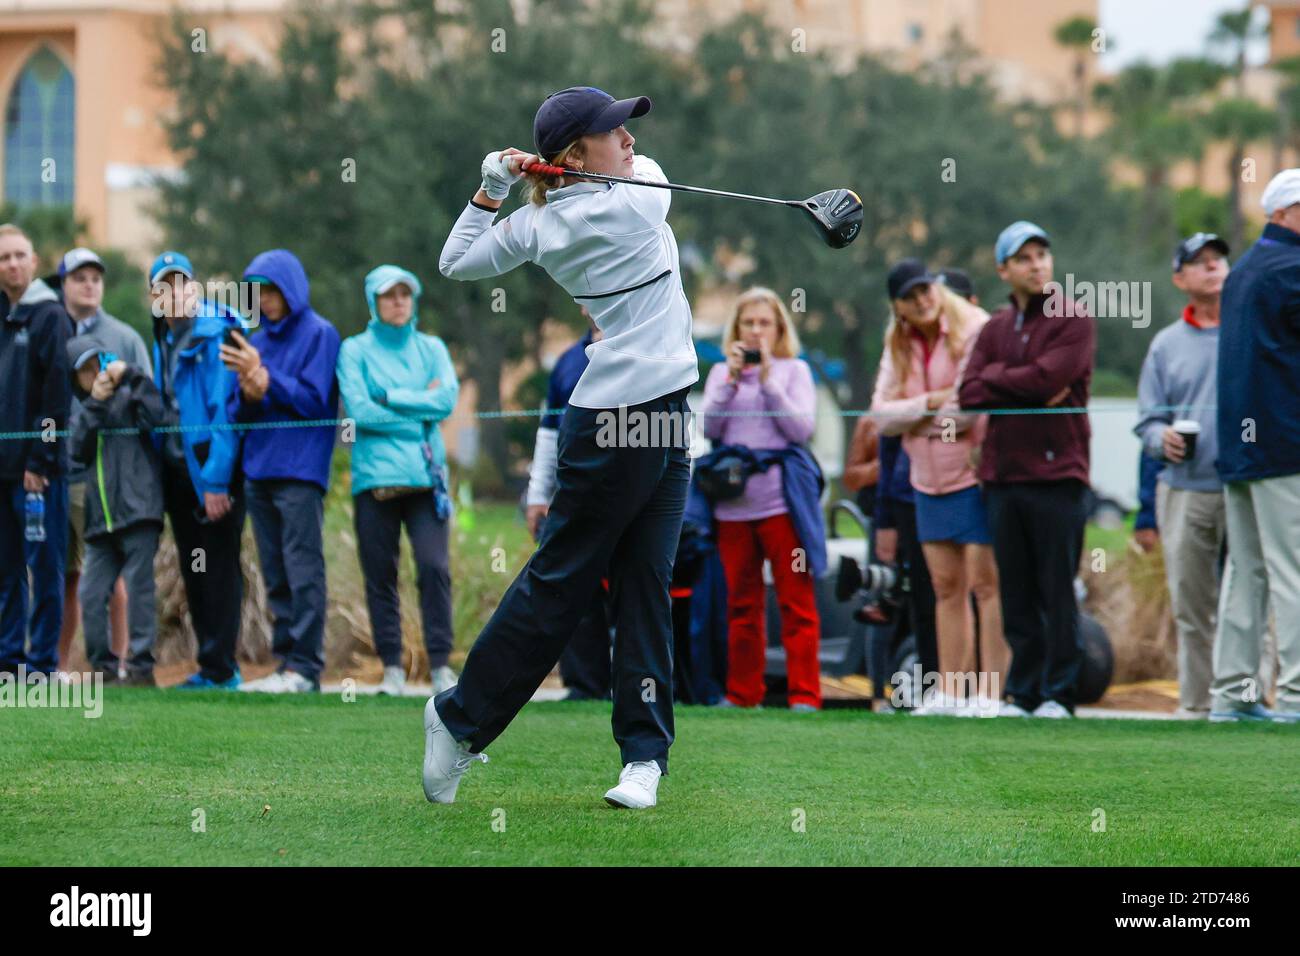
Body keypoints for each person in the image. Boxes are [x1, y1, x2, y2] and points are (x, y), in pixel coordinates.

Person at [429, 86, 695, 809]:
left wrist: (493, 187)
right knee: (564, 582)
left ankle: (644, 757)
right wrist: (540, 179)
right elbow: (653, 177)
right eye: (614, 131)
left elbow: (458, 259)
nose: (631, 140)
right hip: (616, 423)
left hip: (667, 412)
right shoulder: (633, 201)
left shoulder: (538, 222)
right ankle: (457, 720)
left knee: (647, 579)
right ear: (578, 155)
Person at [957, 221, 1095, 719]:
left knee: (1056, 590)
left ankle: (1060, 692)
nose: (1037, 265)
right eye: (1024, 258)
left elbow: (1049, 380)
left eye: (1042, 255)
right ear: (1004, 269)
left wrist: (1004, 380)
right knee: (1015, 592)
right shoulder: (994, 327)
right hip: (1002, 477)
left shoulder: (1072, 317)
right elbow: (970, 391)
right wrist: (1014, 380)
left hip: (1059, 477)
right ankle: (1027, 691)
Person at [872, 260, 1005, 714]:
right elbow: (880, 417)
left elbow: (969, 409)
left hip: (973, 473)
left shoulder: (973, 326)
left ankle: (989, 694)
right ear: (899, 307)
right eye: (911, 296)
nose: (923, 300)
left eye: (926, 290)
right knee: (945, 586)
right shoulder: (898, 342)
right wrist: (928, 404)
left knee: (986, 586)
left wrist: (916, 419)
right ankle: (949, 691)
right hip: (925, 479)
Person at [336, 265, 459, 698]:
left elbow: (445, 402)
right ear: (374, 301)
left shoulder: (432, 347)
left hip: (426, 478)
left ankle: (441, 667)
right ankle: (392, 669)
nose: (398, 302)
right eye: (389, 295)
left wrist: (390, 395)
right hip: (375, 481)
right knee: (380, 574)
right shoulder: (354, 349)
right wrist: (416, 412)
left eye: (405, 294)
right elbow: (359, 411)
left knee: (433, 569)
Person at [222, 249, 340, 694]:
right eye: (259, 292)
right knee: (275, 571)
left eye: (273, 290)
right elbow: (238, 415)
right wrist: (251, 393)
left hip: (301, 472)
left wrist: (267, 380)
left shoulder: (320, 334)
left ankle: (306, 667)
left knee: (303, 568)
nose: (266, 299)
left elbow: (314, 401)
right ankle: (286, 662)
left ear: (292, 288)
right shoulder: (256, 342)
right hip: (259, 471)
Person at [698, 287, 821, 711]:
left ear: (779, 328)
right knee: (741, 605)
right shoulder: (720, 374)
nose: (755, 331)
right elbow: (710, 429)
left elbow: (801, 430)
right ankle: (743, 693)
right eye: (748, 322)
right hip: (733, 509)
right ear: (737, 328)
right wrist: (731, 381)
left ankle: (805, 695)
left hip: (781, 506)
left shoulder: (794, 371)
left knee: (796, 602)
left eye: (764, 323)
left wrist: (768, 383)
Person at [1211, 169, 1300, 723]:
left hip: (1241, 451)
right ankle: (1295, 696)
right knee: (1293, 571)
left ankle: (1233, 696)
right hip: (1285, 445)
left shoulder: (1243, 271)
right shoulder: (1293, 269)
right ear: (1288, 211)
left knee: (1246, 573)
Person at [1134, 233, 1230, 717]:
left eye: (1218, 260)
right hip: (1184, 489)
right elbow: (1148, 420)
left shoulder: (1254, 330)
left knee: (1259, 604)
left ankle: (1253, 702)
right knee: (1193, 609)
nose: (1212, 268)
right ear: (1180, 279)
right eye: (1199, 263)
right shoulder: (1166, 345)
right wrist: (1160, 439)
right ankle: (1196, 707)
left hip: (1247, 488)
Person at [150, 252, 246, 690]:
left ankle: (224, 668)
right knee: (196, 567)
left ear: (196, 289)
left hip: (211, 473)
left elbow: (226, 412)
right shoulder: (163, 337)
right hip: (176, 472)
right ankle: (209, 666)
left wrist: (215, 481)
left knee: (220, 566)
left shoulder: (216, 333)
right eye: (165, 287)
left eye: (183, 284)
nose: (176, 294)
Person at [56, 248, 151, 675]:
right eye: (80, 277)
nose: (90, 284)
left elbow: (151, 403)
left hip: (111, 479)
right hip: (57, 471)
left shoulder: (125, 337)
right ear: (64, 284)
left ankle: (125, 661)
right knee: (67, 577)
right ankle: (55, 666)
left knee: (115, 578)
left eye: (96, 277)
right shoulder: (50, 328)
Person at [524, 310, 614, 702]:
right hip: (574, 494)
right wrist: (537, 496)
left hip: (626, 491)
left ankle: (634, 687)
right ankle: (584, 685)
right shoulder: (567, 362)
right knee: (577, 590)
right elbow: (548, 434)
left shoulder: (643, 353)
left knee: (632, 592)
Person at [67, 336, 166, 685]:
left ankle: (141, 668)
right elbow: (76, 451)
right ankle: (105, 669)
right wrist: (95, 403)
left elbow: (158, 416)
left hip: (139, 512)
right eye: (84, 371)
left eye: (98, 365)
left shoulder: (131, 397)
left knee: (139, 591)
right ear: (75, 379)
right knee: (91, 595)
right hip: (98, 524)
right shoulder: (84, 413)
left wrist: (132, 375)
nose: (94, 374)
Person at [0, 224, 71, 677]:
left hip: (36, 474)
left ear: (34, 261)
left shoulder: (50, 316)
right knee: (6, 571)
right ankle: (8, 661)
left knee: (44, 569)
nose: (11, 264)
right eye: (3, 258)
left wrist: (40, 461)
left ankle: (43, 662)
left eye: (19, 255)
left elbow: (56, 396)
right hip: (2, 472)